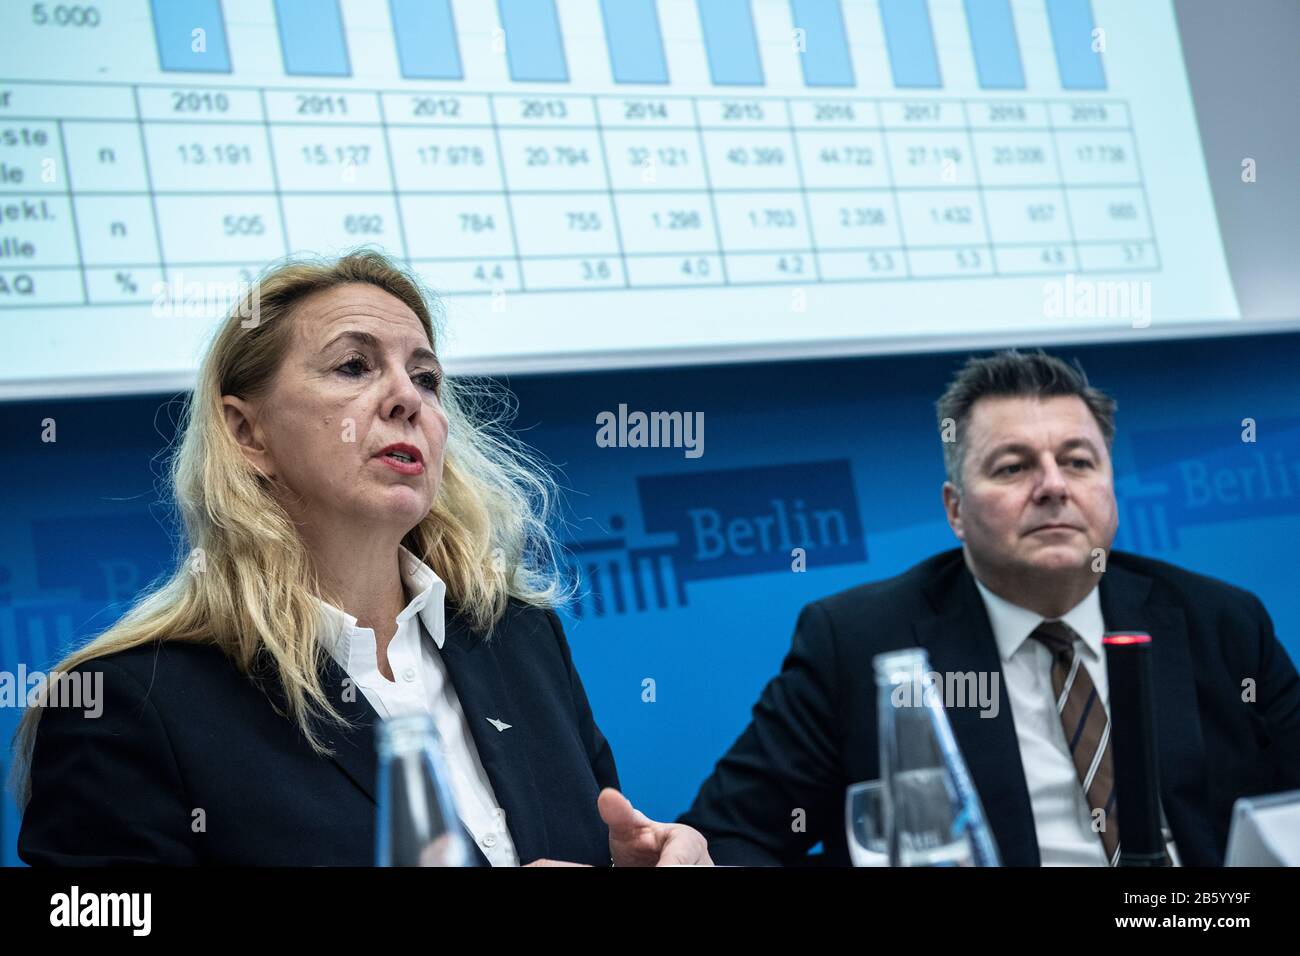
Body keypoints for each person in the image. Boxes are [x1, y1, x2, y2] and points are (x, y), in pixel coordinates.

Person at [12, 250, 710, 868]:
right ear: (246, 432)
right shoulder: (129, 708)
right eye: (354, 365)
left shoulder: (519, 637)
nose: (407, 398)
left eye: (428, 379)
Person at [680, 349, 1300, 866]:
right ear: (955, 510)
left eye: (1078, 462)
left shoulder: (1219, 621)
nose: (1054, 485)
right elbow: (731, 838)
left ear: (1111, 490)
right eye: (1014, 466)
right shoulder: (859, 642)